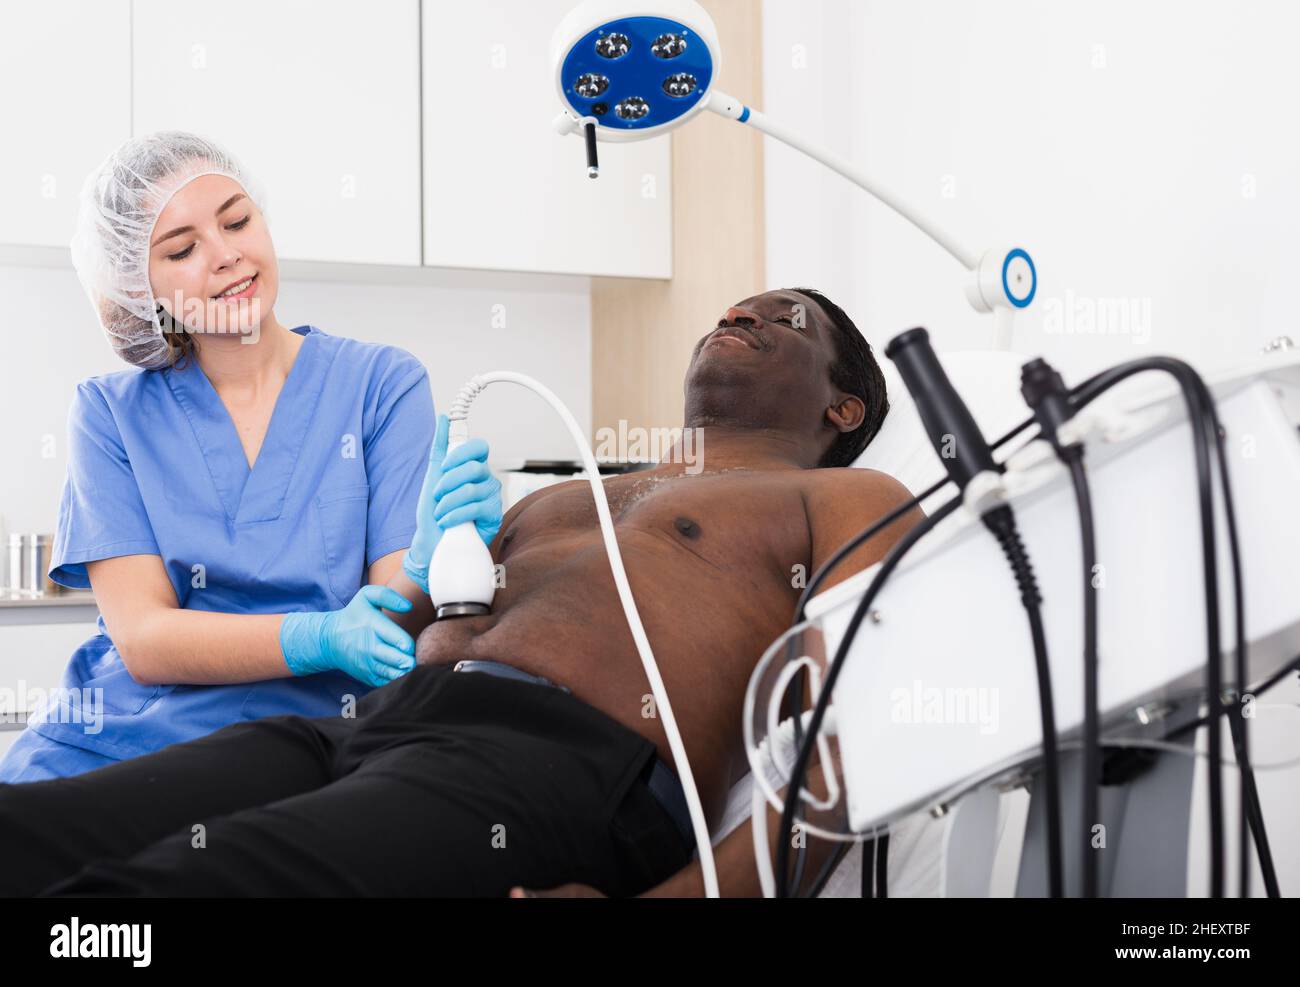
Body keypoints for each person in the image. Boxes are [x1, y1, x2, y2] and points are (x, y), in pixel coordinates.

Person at [0, 288, 920, 897]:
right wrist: (409, 581)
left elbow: (846, 739)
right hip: (369, 726)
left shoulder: (846, 499)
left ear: (843, 409)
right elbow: (414, 622)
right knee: (33, 833)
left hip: (558, 764)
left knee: (148, 903)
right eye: (734, 307)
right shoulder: (565, 496)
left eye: (783, 318)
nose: (741, 315)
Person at [0, 132, 502, 782]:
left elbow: (385, 622)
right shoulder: (109, 413)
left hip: (309, 733)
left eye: (237, 220)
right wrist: (314, 634)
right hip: (119, 733)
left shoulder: (380, 383)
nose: (227, 253)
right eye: (181, 247)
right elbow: (144, 639)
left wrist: (426, 565)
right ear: (137, 284)